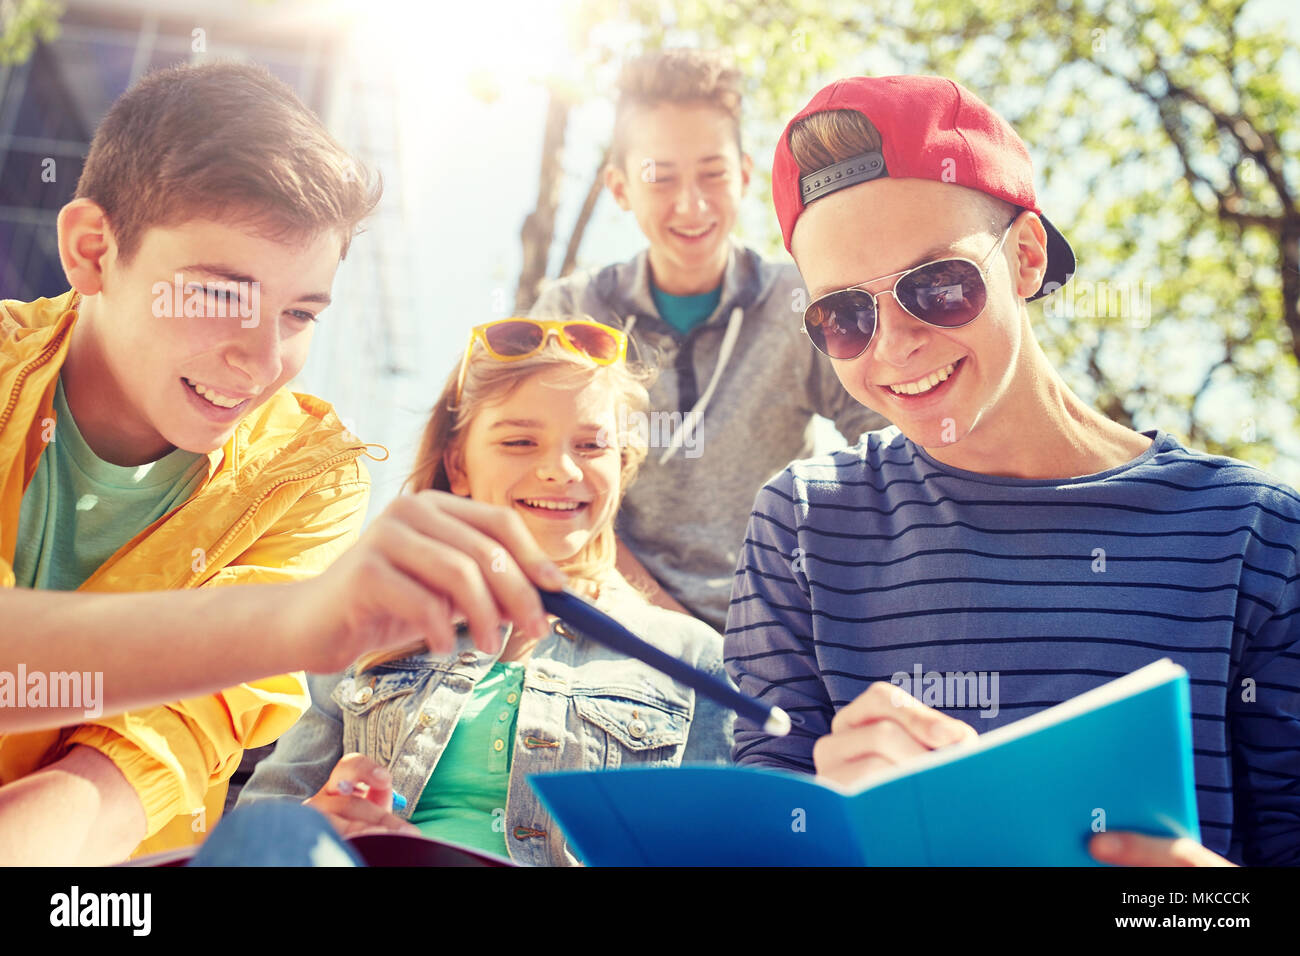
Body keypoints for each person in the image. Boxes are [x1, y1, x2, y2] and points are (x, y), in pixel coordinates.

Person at [725, 75, 1299, 866]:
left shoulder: (1257, 535)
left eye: (937, 286)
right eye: (844, 315)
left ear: (1027, 257)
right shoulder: (803, 524)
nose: (894, 345)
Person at [0, 63, 567, 865]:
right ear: (93, 250)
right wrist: (299, 622)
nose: (262, 359)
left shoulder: (310, 475)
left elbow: (157, 751)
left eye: (299, 314)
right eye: (220, 295)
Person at [238, 317, 734, 865]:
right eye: (520, 441)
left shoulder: (694, 659)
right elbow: (259, 829)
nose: (560, 469)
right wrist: (316, 825)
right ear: (459, 464)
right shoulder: (369, 629)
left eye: (591, 445)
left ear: (621, 465)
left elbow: (722, 848)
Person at [530, 49, 887, 633]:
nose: (691, 204)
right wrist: (677, 629)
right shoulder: (573, 313)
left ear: (745, 175)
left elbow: (892, 438)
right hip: (608, 616)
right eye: (660, 177)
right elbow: (534, 483)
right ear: (619, 188)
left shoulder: (801, 301)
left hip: (781, 621)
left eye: (713, 174)